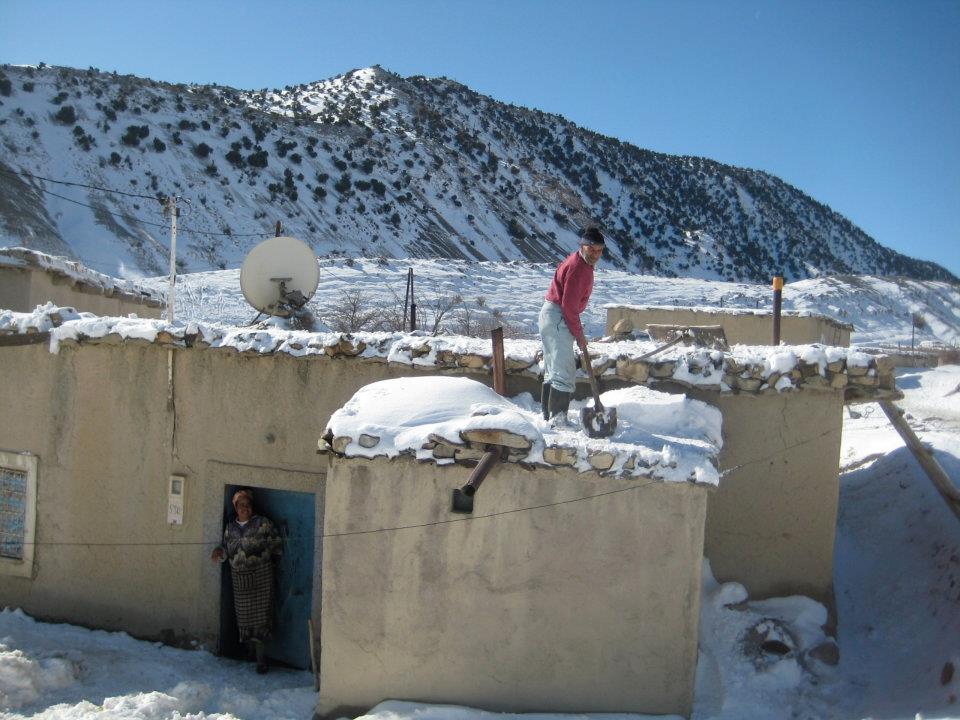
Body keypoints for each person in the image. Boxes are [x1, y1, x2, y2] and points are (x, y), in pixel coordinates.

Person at [211, 488, 283, 674]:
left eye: (248, 505)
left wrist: (269, 562)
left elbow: (276, 545)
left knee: (261, 618)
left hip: (261, 576)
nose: (245, 508)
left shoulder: (262, 524)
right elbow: (227, 551)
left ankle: (261, 660)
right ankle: (250, 653)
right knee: (244, 618)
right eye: (241, 505)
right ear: (235, 507)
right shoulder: (230, 528)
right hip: (240, 579)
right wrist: (220, 552)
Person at [538, 226, 605, 422]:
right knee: (564, 372)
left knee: (553, 370)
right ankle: (557, 421)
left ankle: (548, 417)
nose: (596, 254)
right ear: (582, 246)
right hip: (559, 317)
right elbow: (569, 307)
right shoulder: (579, 269)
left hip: (550, 315)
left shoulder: (578, 262)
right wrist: (580, 336)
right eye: (592, 249)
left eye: (600, 250)